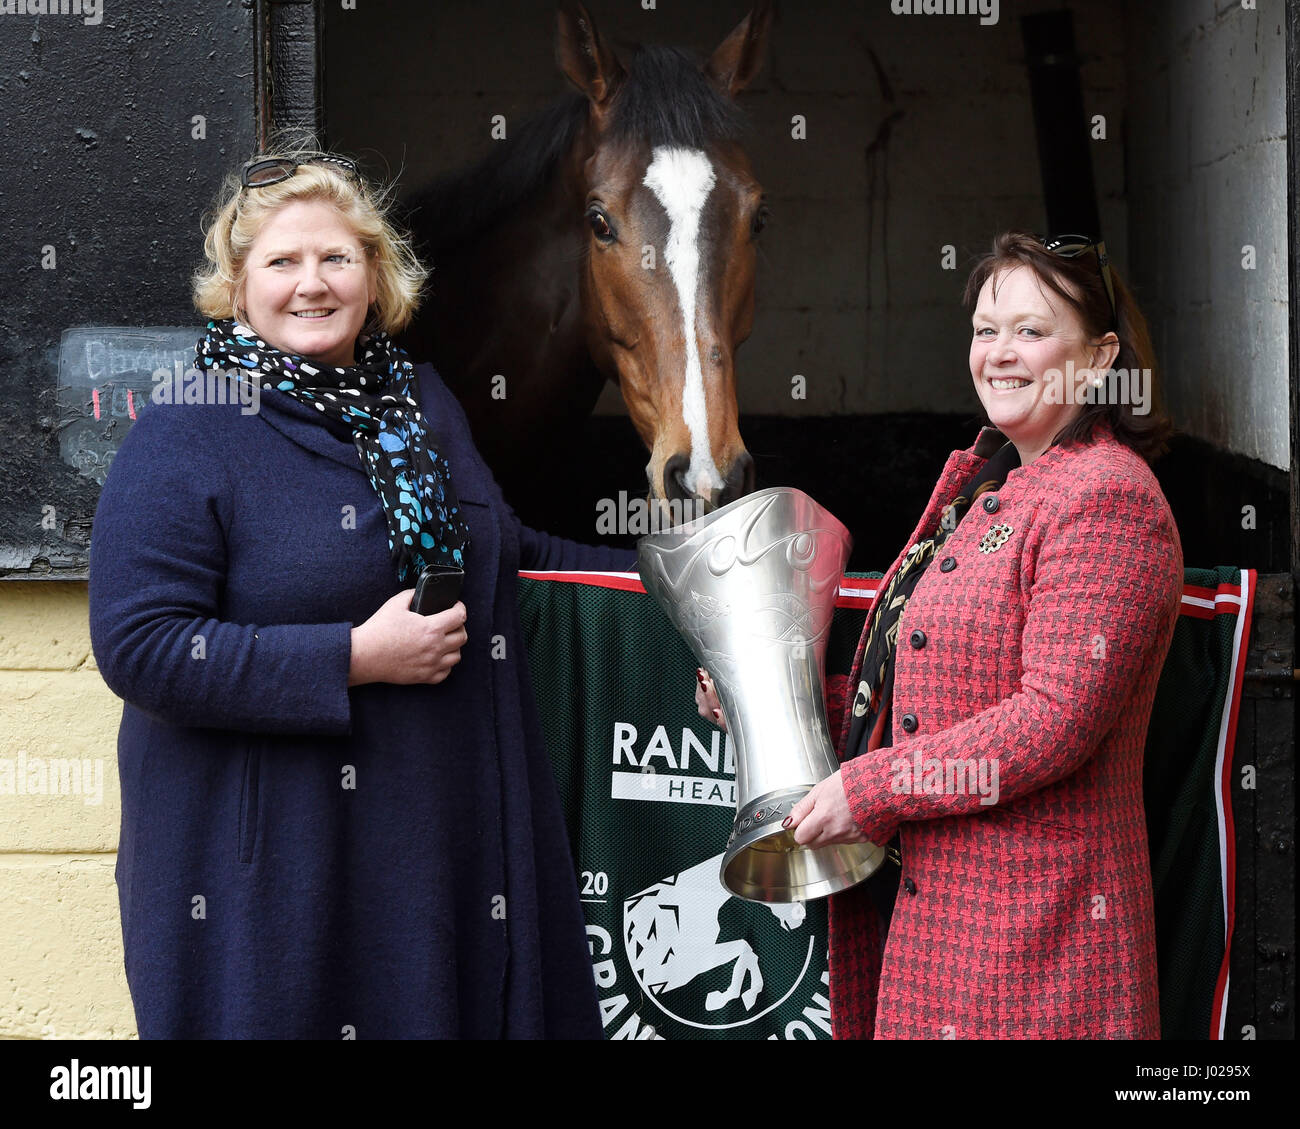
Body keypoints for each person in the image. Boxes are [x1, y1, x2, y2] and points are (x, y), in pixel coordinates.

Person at [89, 145, 634, 1039]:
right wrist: (350, 659)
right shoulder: (189, 426)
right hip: (269, 873)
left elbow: (502, 546)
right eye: (283, 261)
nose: (313, 283)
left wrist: (689, 579)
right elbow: (143, 646)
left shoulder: (418, 401)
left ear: (377, 276)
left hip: (428, 845)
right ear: (236, 284)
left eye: (338, 258)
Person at [697, 231, 1182, 1038]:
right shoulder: (997, 483)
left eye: (1031, 330)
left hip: (1044, 943)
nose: (1000, 352)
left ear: (1098, 359)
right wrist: (780, 702)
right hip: (935, 935)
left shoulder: (1109, 497)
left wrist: (870, 787)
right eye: (986, 329)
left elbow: (1051, 723)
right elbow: (937, 694)